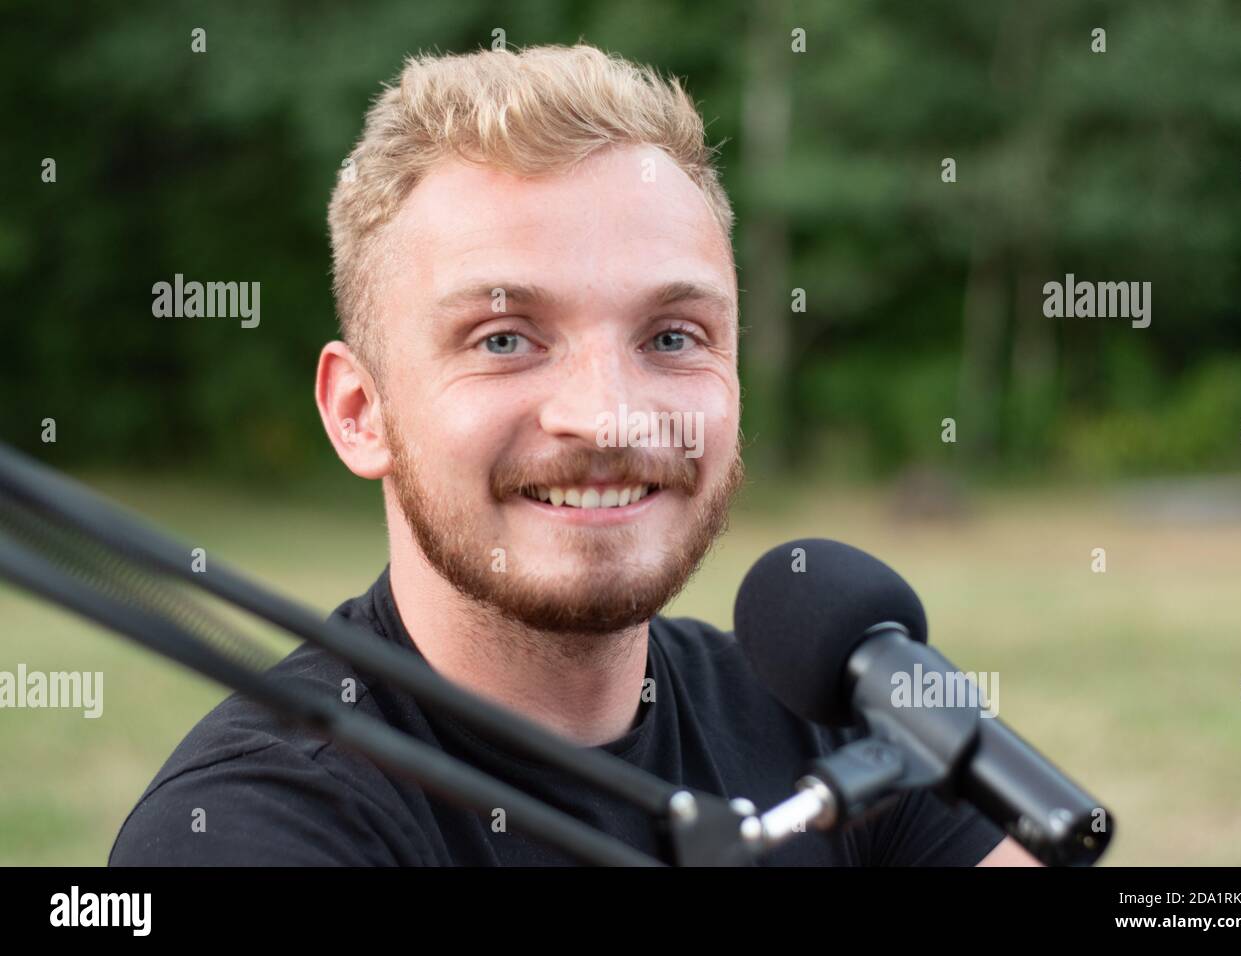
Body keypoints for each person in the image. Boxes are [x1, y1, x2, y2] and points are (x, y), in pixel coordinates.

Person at [110, 43, 1036, 866]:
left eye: (672, 338)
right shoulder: (255, 821)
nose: (610, 419)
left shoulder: (829, 716)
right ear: (361, 412)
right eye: (504, 339)